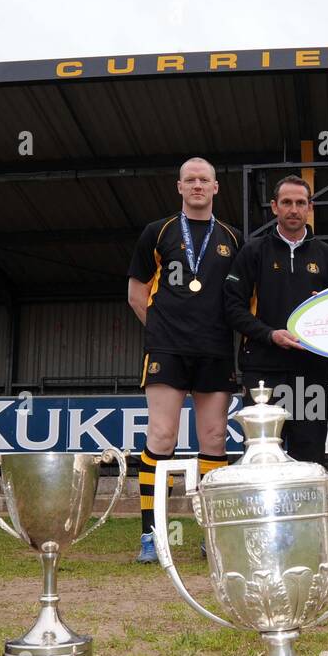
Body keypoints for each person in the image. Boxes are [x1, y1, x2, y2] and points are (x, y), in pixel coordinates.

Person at [126, 157, 241, 563]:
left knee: (213, 440)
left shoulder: (232, 237)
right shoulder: (156, 232)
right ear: (178, 187)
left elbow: (242, 298)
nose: (197, 185)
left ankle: (212, 533)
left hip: (215, 349)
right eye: (190, 179)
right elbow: (137, 293)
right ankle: (151, 535)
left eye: (204, 179)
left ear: (215, 188)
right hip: (167, 350)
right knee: (162, 437)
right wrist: (162, 331)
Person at [223, 175, 328, 465]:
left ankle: (309, 512)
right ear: (274, 206)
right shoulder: (252, 251)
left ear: (309, 207)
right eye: (286, 202)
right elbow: (232, 307)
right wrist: (269, 334)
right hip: (262, 371)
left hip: (311, 373)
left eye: (301, 203)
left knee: (310, 454)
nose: (293, 209)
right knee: (261, 456)